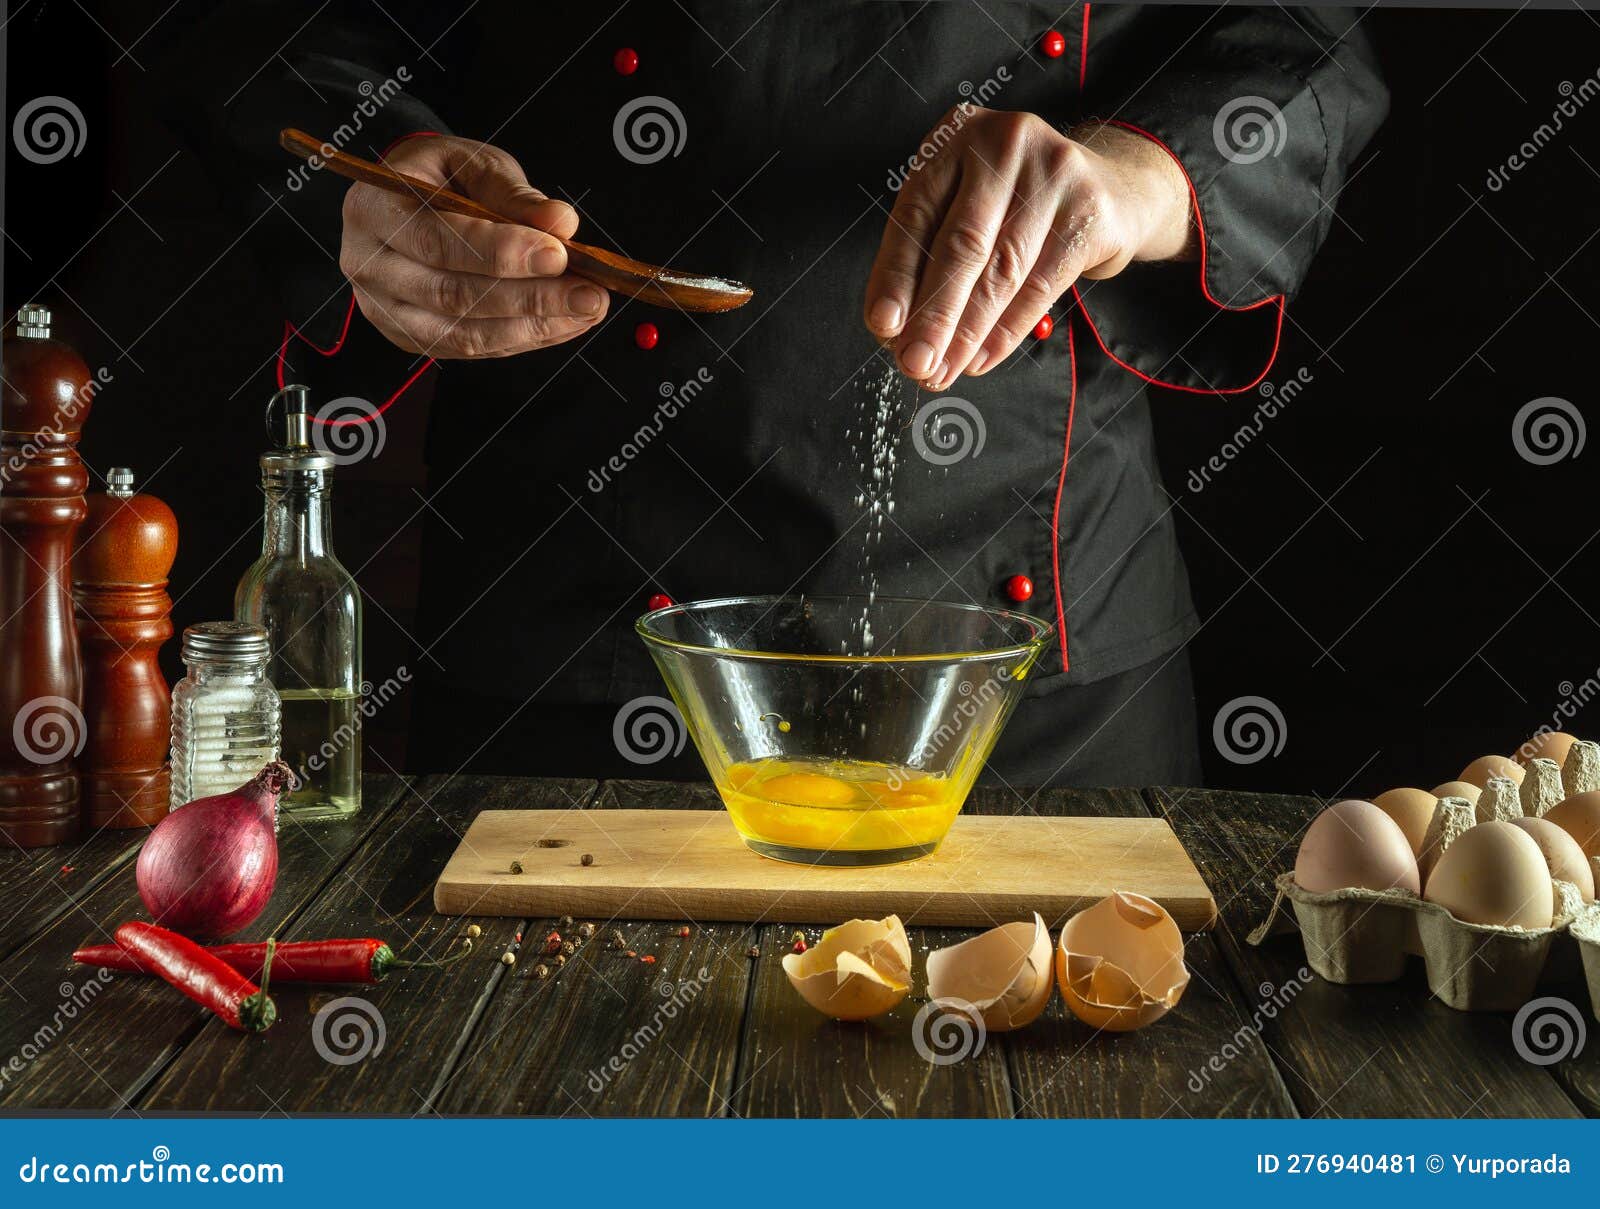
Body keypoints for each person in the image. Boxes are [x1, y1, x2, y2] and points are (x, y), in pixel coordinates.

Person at [183, 3, 1386, 786]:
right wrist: (378, 173)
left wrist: (1138, 176)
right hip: (575, 640)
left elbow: (1303, 39)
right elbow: (285, 29)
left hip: (1036, 668)